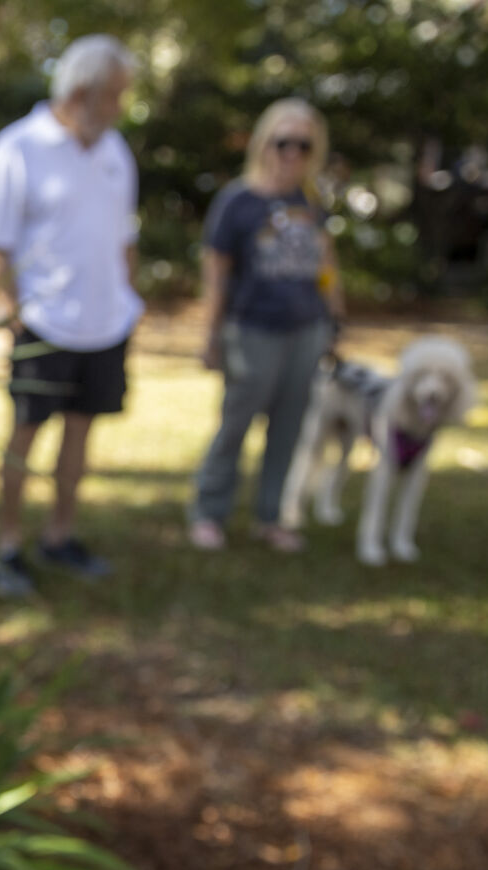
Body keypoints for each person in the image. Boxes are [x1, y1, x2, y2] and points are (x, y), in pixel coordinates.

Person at [0, 35, 143, 597]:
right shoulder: (17, 148)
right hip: (44, 326)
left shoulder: (116, 151)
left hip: (106, 323)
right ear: (83, 92)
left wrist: (127, 297)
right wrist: (15, 315)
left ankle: (59, 537)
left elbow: (125, 236)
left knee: (81, 432)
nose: (120, 107)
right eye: (115, 95)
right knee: (25, 434)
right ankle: (7, 546)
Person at [189, 98, 345, 552]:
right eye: (283, 142)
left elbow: (327, 263)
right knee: (235, 423)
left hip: (306, 328)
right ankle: (209, 511)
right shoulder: (237, 200)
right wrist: (210, 334)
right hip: (252, 328)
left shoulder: (313, 200)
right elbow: (215, 274)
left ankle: (272, 515)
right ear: (264, 143)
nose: (292, 153)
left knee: (290, 427)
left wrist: (336, 317)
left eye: (303, 144)